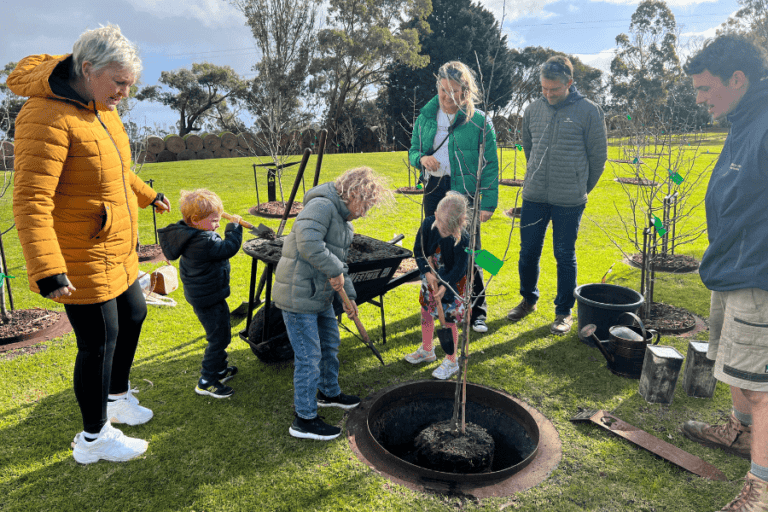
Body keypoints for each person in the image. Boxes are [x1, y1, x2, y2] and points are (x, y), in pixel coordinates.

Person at [9, 24, 172, 464]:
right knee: (99, 340)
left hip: (117, 246)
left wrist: (147, 194)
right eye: (119, 82)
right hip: (78, 252)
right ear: (87, 68)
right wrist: (46, 267)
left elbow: (116, 169)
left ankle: (117, 397)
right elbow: (30, 198)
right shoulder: (44, 116)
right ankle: (94, 438)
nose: (124, 92)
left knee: (134, 314)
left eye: (129, 85)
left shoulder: (102, 107)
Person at [677, 34, 768, 511]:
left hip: (758, 271)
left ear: (738, 79)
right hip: (731, 263)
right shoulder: (744, 118)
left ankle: (762, 486)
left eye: (705, 88)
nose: (700, 98)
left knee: (761, 385)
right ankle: (739, 431)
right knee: (731, 358)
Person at [273, 167, 394, 441]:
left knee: (330, 344)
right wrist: (334, 271)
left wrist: (349, 296)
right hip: (299, 294)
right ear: (352, 193)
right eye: (364, 205)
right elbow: (308, 242)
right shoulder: (321, 206)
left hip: (322, 295)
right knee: (308, 357)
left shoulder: (345, 225)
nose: (363, 213)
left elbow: (341, 266)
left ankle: (328, 392)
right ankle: (303, 419)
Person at [506, 55, 607, 335]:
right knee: (527, 253)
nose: (548, 94)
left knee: (564, 254)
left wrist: (581, 187)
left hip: (569, 200)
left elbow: (598, 157)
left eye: (555, 89)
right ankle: (528, 299)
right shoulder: (532, 110)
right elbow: (530, 149)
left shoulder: (589, 111)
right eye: (544, 89)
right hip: (534, 196)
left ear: (570, 83)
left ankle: (563, 312)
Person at [408, 61, 499, 334]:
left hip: (465, 192)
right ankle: (442, 302)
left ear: (466, 91)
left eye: (455, 91)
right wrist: (421, 159)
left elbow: (491, 164)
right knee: (434, 245)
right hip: (434, 189)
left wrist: (488, 203)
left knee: (471, 250)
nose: (448, 97)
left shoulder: (481, 122)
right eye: (443, 91)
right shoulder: (425, 118)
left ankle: (478, 311)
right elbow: (412, 151)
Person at [157, 189, 243, 398]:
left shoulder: (190, 233)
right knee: (218, 338)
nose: (218, 224)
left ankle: (219, 369)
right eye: (214, 220)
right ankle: (207, 380)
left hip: (205, 294)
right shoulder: (203, 241)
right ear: (195, 220)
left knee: (221, 333)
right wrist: (235, 228)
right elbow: (228, 248)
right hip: (208, 297)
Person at [404, 192, 469, 380]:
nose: (441, 229)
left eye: (447, 228)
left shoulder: (463, 237)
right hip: (430, 278)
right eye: (440, 223)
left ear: (459, 224)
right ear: (436, 214)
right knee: (426, 312)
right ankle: (427, 350)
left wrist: (444, 287)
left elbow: (459, 267)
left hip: (453, 283)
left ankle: (451, 360)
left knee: (448, 321)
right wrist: (427, 271)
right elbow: (419, 251)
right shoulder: (427, 225)